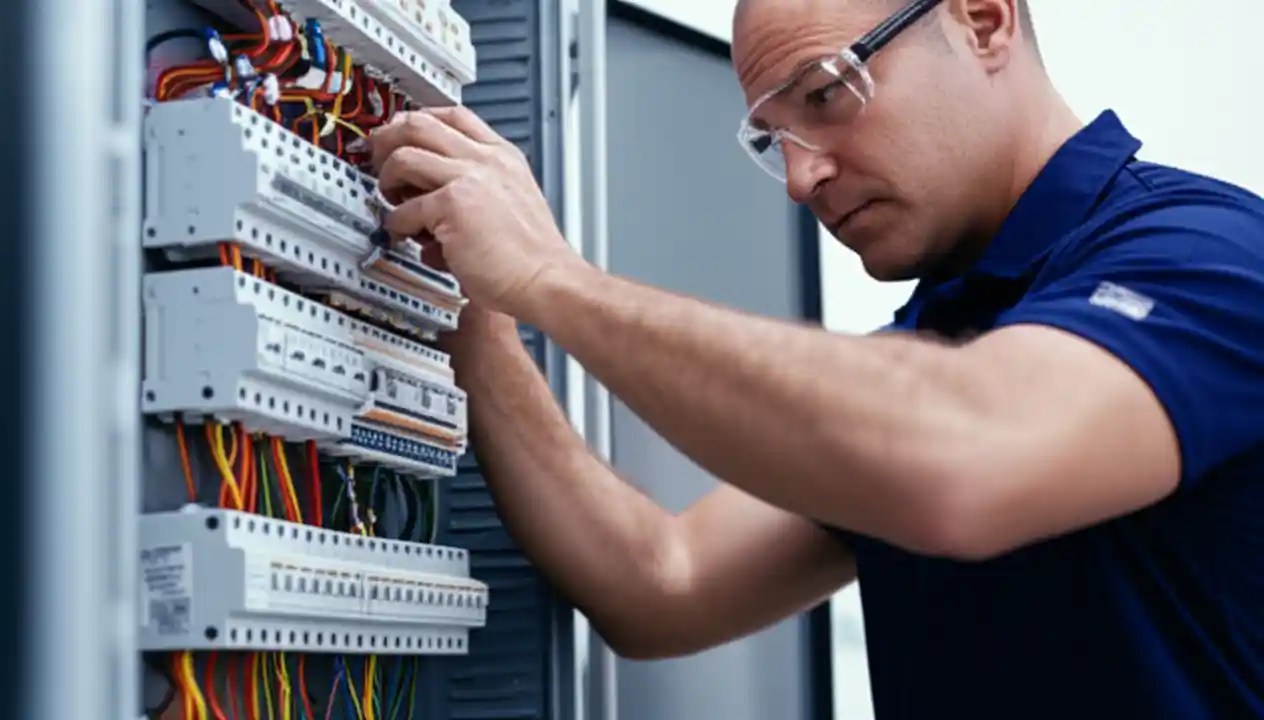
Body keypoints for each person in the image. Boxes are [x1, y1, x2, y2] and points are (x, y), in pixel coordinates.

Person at [369, 0, 1264, 716]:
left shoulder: (1204, 255)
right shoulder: (938, 343)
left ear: (982, 20)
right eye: (772, 138)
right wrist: (476, 323)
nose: (800, 179)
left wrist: (550, 277)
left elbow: (960, 457)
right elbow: (662, 582)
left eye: (827, 93)